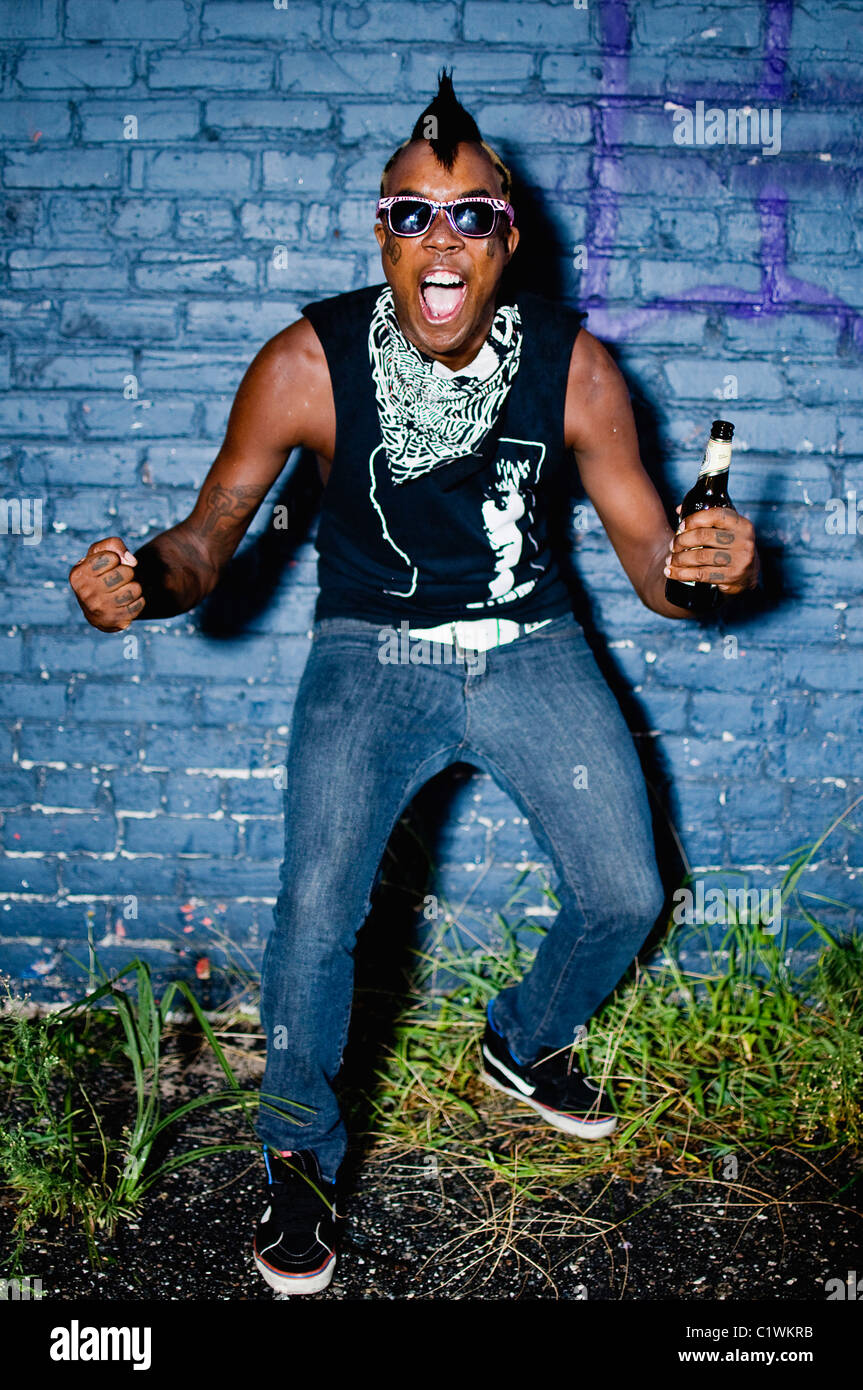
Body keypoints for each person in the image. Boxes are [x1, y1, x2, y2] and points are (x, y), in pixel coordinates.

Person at [69, 71, 760, 1297]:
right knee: (317, 907)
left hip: (527, 643)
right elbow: (206, 541)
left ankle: (522, 1040)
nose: (439, 240)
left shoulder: (576, 370)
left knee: (625, 884)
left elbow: (657, 569)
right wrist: (146, 579)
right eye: (411, 214)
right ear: (380, 231)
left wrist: (708, 569)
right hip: (367, 653)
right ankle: (293, 1152)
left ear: (509, 235)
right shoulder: (304, 364)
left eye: (469, 216)